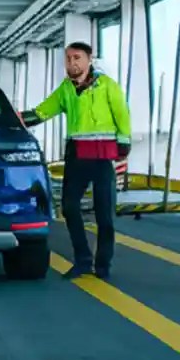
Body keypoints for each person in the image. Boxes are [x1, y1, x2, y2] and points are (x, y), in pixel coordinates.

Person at [20, 42, 131, 280]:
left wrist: (124, 143)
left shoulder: (107, 86)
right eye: (68, 58)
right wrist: (15, 118)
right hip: (77, 155)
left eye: (77, 58)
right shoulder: (65, 89)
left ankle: (103, 266)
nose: (72, 63)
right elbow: (42, 112)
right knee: (69, 208)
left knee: (105, 215)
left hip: (102, 156)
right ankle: (82, 261)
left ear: (89, 59)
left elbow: (122, 113)